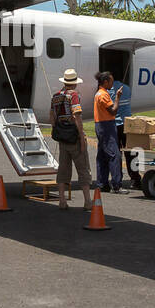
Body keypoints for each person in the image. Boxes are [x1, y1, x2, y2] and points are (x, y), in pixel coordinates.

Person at [50, 68, 93, 211]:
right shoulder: (73, 95)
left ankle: (62, 200)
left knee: (63, 169)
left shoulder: (56, 97)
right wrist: (81, 136)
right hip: (74, 136)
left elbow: (52, 117)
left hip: (63, 138)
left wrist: (57, 129)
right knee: (83, 168)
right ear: (74, 83)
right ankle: (87, 201)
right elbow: (77, 116)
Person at [92, 71, 126, 193]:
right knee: (114, 155)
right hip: (106, 126)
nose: (113, 82)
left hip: (100, 125)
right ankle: (117, 185)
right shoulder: (103, 95)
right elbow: (113, 111)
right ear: (105, 82)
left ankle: (102, 184)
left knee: (102, 156)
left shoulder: (100, 93)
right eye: (111, 80)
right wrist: (117, 97)